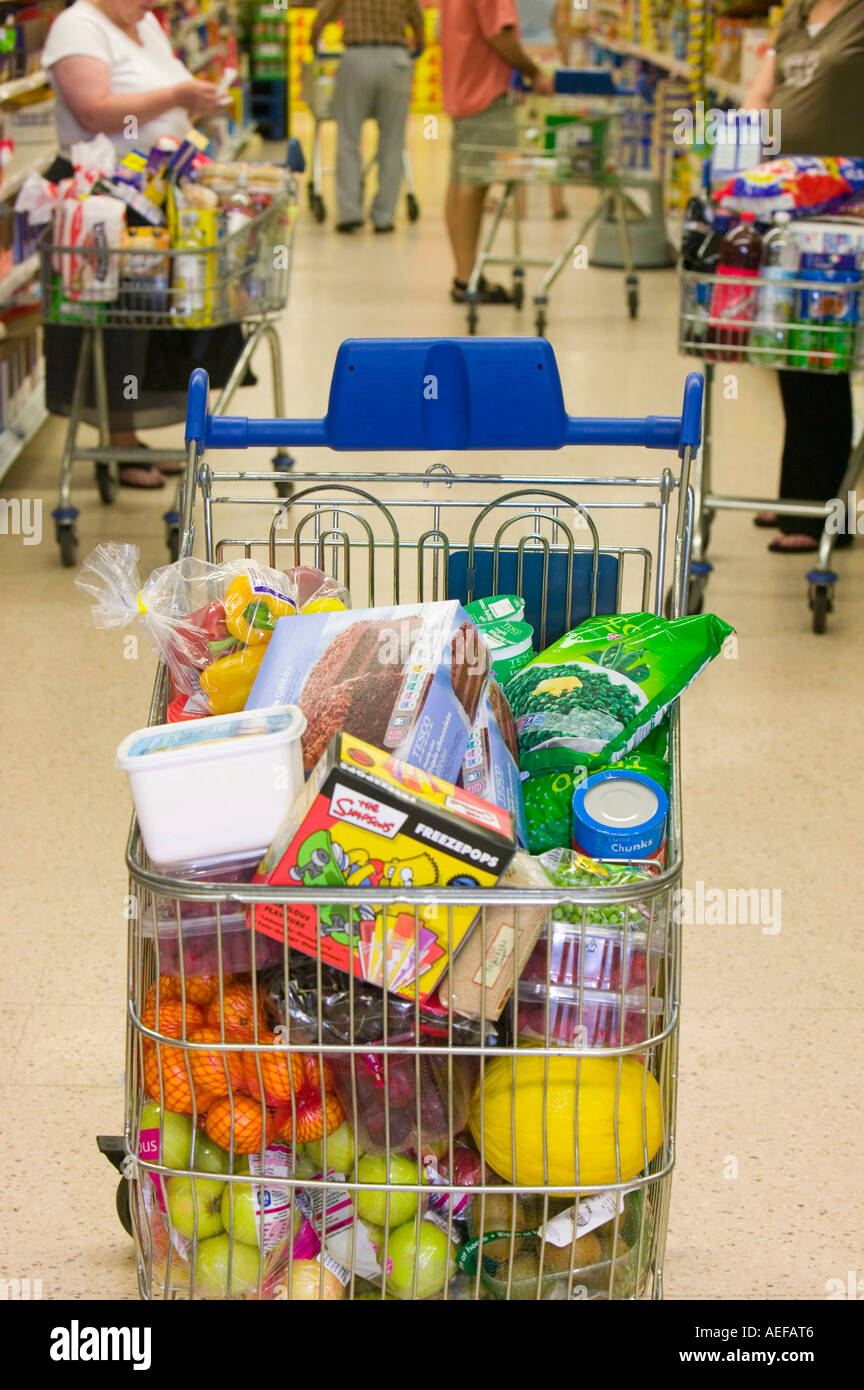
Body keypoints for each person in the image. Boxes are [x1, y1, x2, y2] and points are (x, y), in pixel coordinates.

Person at [41, 0, 238, 488]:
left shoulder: (145, 23)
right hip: (105, 201)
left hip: (155, 193)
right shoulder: (77, 26)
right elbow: (93, 112)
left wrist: (197, 103)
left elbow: (161, 101)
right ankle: (119, 440)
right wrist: (177, 93)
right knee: (117, 321)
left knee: (146, 318)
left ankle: (131, 433)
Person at [745, 0, 864, 552]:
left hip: (846, 213)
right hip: (786, 210)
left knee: (825, 355)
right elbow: (761, 95)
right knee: (791, 350)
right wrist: (745, 169)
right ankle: (797, 494)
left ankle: (824, 514)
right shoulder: (796, 15)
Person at [439, 0, 554, 305]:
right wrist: (534, 72)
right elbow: (498, 35)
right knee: (473, 185)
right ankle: (467, 280)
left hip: (461, 84)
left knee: (459, 180)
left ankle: (464, 274)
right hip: (484, 90)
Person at [310, 0, 425, 234]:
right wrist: (417, 48)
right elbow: (420, 24)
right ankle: (384, 217)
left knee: (348, 139)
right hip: (395, 61)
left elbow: (320, 19)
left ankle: (350, 212)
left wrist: (315, 46)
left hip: (355, 59)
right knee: (393, 143)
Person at [517, 0, 571, 219]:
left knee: (521, 136)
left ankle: (520, 206)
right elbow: (562, 28)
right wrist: (566, 66)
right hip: (550, 61)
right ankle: (557, 203)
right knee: (553, 135)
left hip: (520, 61)